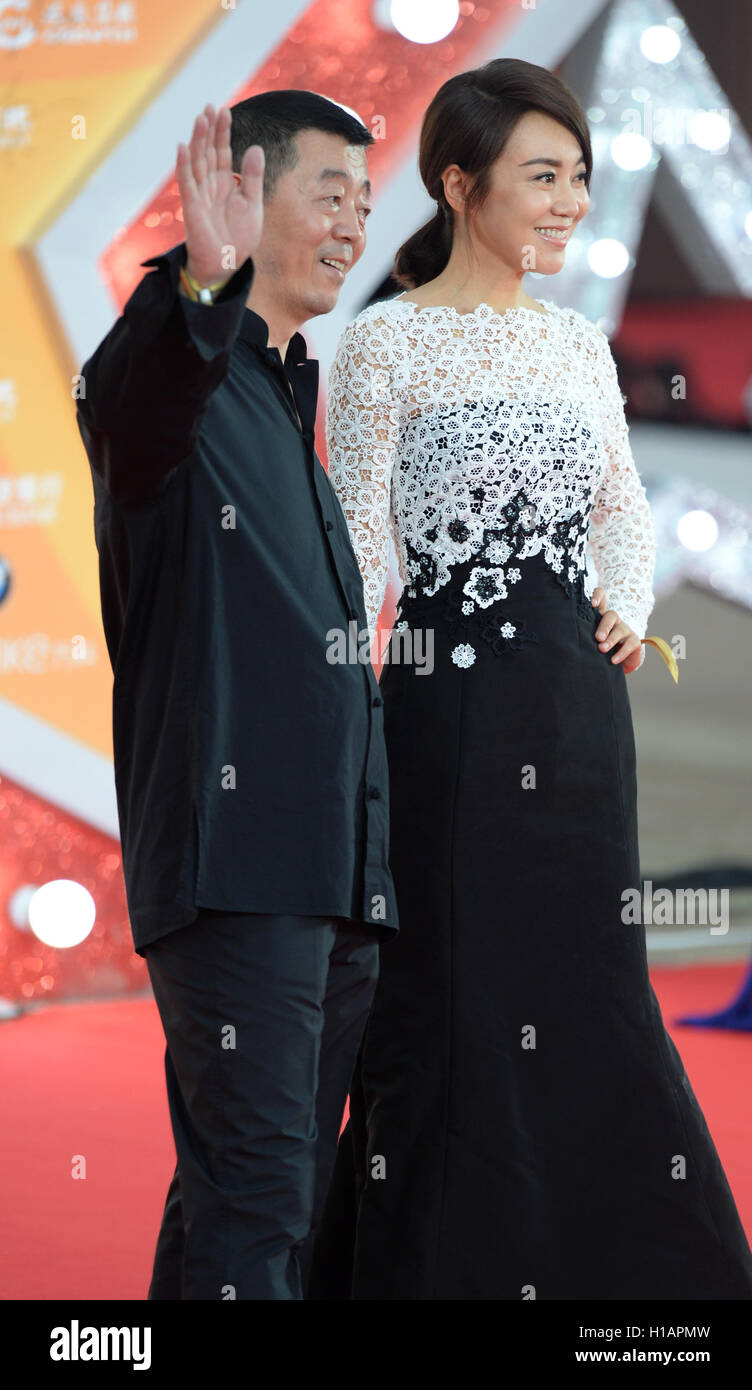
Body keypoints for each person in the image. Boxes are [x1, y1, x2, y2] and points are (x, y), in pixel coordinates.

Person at [307, 58, 752, 1300]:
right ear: (460, 185)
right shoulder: (384, 343)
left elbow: (620, 511)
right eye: (543, 178)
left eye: (580, 179)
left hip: (576, 720)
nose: (570, 204)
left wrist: (622, 601)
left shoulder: (573, 346)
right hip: (447, 721)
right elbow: (359, 555)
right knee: (450, 999)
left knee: (593, 989)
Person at [76, 91, 398, 1300]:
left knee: (265, 1202)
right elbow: (136, 403)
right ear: (242, 194)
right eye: (329, 193)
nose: (353, 226)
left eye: (365, 203)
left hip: (329, 872)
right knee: (260, 1206)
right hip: (237, 870)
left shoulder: (283, 391)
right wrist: (199, 285)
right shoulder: (175, 372)